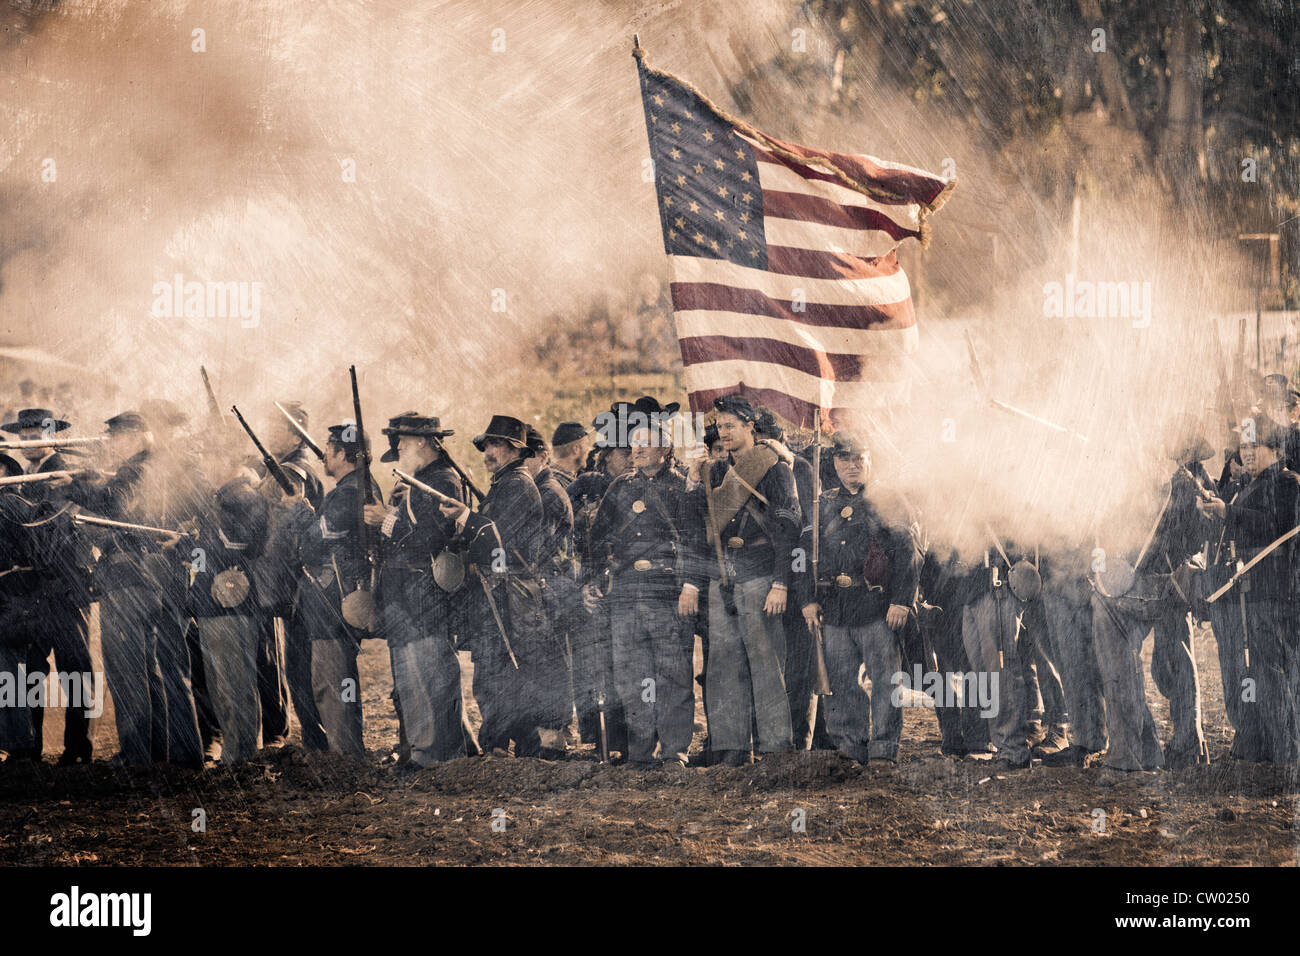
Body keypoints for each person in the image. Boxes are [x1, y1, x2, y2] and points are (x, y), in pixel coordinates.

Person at [67, 411, 203, 767]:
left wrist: (75, 487)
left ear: (137, 437)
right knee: (165, 672)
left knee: (129, 673)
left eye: (117, 438)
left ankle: (138, 754)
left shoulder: (136, 469)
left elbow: (118, 504)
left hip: (130, 579)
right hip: (160, 577)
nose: (111, 445)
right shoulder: (165, 467)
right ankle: (176, 755)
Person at [367, 413, 496, 767]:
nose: (397, 447)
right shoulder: (421, 481)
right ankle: (440, 749)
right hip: (406, 594)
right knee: (414, 677)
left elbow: (431, 538)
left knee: (429, 676)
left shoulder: (443, 481)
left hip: (424, 595)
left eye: (403, 441)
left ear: (423, 442)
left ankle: (432, 755)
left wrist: (387, 520)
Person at [681, 394, 800, 766]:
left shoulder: (774, 468)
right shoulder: (713, 472)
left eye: (732, 425)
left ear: (751, 426)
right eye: (720, 425)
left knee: (766, 665)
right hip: (724, 580)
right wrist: (691, 478)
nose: (724, 431)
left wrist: (781, 582)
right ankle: (732, 748)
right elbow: (695, 527)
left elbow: (789, 527)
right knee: (723, 667)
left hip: (761, 576)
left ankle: (775, 748)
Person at [797, 432, 916, 764]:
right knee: (840, 681)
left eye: (858, 459)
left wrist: (901, 601)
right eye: (844, 460)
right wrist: (807, 599)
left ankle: (883, 748)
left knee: (884, 681)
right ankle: (850, 744)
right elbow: (804, 555)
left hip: (876, 606)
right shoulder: (823, 503)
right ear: (834, 463)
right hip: (834, 608)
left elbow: (908, 554)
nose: (852, 466)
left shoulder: (887, 500)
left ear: (869, 461)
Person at [585, 416, 693, 768]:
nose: (638, 449)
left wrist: (689, 586)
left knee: (673, 675)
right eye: (634, 444)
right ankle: (641, 753)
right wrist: (592, 578)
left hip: (667, 595)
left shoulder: (682, 489)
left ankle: (675, 751)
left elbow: (695, 542)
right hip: (627, 596)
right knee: (634, 679)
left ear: (665, 449)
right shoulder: (619, 488)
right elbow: (594, 538)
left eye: (647, 443)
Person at [1196, 416, 1298, 763]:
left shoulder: (1288, 484)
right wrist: (1217, 511)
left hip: (1268, 596)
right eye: (1244, 446)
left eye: (1256, 446)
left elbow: (1275, 527)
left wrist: (1230, 513)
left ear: (1274, 449)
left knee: (1269, 677)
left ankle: (1286, 755)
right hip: (1237, 596)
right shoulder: (1242, 487)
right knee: (1241, 675)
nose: (1249, 454)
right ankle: (1252, 743)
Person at [2, 407, 96, 764]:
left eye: (37, 433)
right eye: (23, 435)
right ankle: (29, 748)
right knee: (32, 669)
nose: (29, 441)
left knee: (74, 666)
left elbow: (51, 524)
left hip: (65, 584)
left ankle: (77, 749)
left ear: (53, 435)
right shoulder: (21, 477)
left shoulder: (64, 473)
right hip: (31, 589)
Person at [467, 414, 551, 757]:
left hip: (507, 594)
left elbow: (496, 540)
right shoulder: (504, 483)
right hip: (500, 592)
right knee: (499, 671)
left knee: (498, 672)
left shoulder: (516, 485)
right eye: (487, 445)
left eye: (497, 445)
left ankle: (499, 747)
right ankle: (520, 745)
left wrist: (464, 519)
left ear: (516, 450)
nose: (489, 452)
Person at [296, 424, 376, 758]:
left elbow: (312, 544)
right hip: (339, 597)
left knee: (332, 681)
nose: (324, 454)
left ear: (343, 453)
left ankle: (345, 755)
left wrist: (300, 513)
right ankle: (348, 749)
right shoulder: (356, 488)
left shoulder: (348, 492)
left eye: (329, 448)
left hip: (331, 598)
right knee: (340, 680)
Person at [189, 478, 273, 764]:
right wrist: (187, 541)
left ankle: (245, 757)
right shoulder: (217, 503)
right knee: (220, 688)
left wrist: (204, 521)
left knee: (236, 687)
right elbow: (202, 556)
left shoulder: (244, 498)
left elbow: (242, 543)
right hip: (211, 607)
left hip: (232, 608)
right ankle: (234, 755)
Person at [523, 425, 576, 757]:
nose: (523, 463)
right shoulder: (537, 489)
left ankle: (554, 739)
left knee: (552, 663)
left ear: (544, 455)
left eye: (529, 456)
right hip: (546, 585)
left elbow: (538, 548)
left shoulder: (548, 492)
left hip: (552, 586)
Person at [549, 422, 589, 488]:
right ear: (576, 449)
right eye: (586, 444)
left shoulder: (553, 477)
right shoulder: (558, 483)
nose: (588, 450)